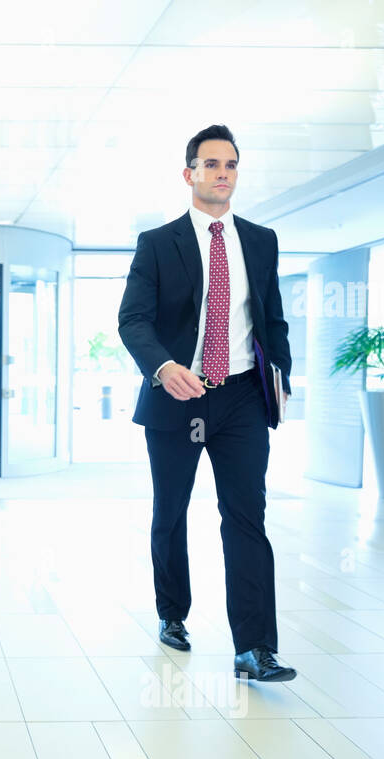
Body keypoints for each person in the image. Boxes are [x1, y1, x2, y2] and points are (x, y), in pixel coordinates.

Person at [117, 124, 297, 682]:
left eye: (231, 165)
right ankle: (173, 613)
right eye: (212, 164)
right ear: (189, 172)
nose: (223, 174)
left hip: (242, 397)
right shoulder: (158, 242)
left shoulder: (261, 241)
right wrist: (165, 368)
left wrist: (282, 376)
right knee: (171, 512)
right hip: (179, 397)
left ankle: (254, 648)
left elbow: (272, 319)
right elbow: (132, 320)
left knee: (247, 518)